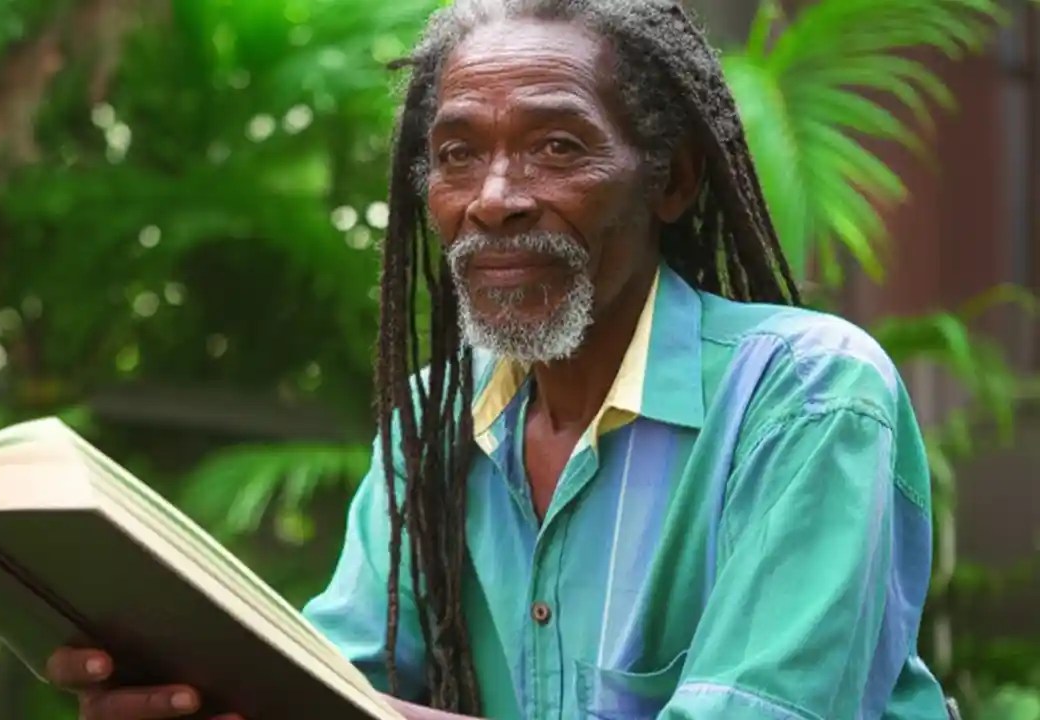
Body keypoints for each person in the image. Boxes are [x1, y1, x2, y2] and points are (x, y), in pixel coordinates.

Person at [47, 0, 952, 717]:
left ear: (670, 181)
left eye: (557, 147)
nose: (495, 200)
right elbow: (326, 680)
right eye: (456, 155)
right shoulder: (432, 422)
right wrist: (191, 692)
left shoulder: (808, 398)